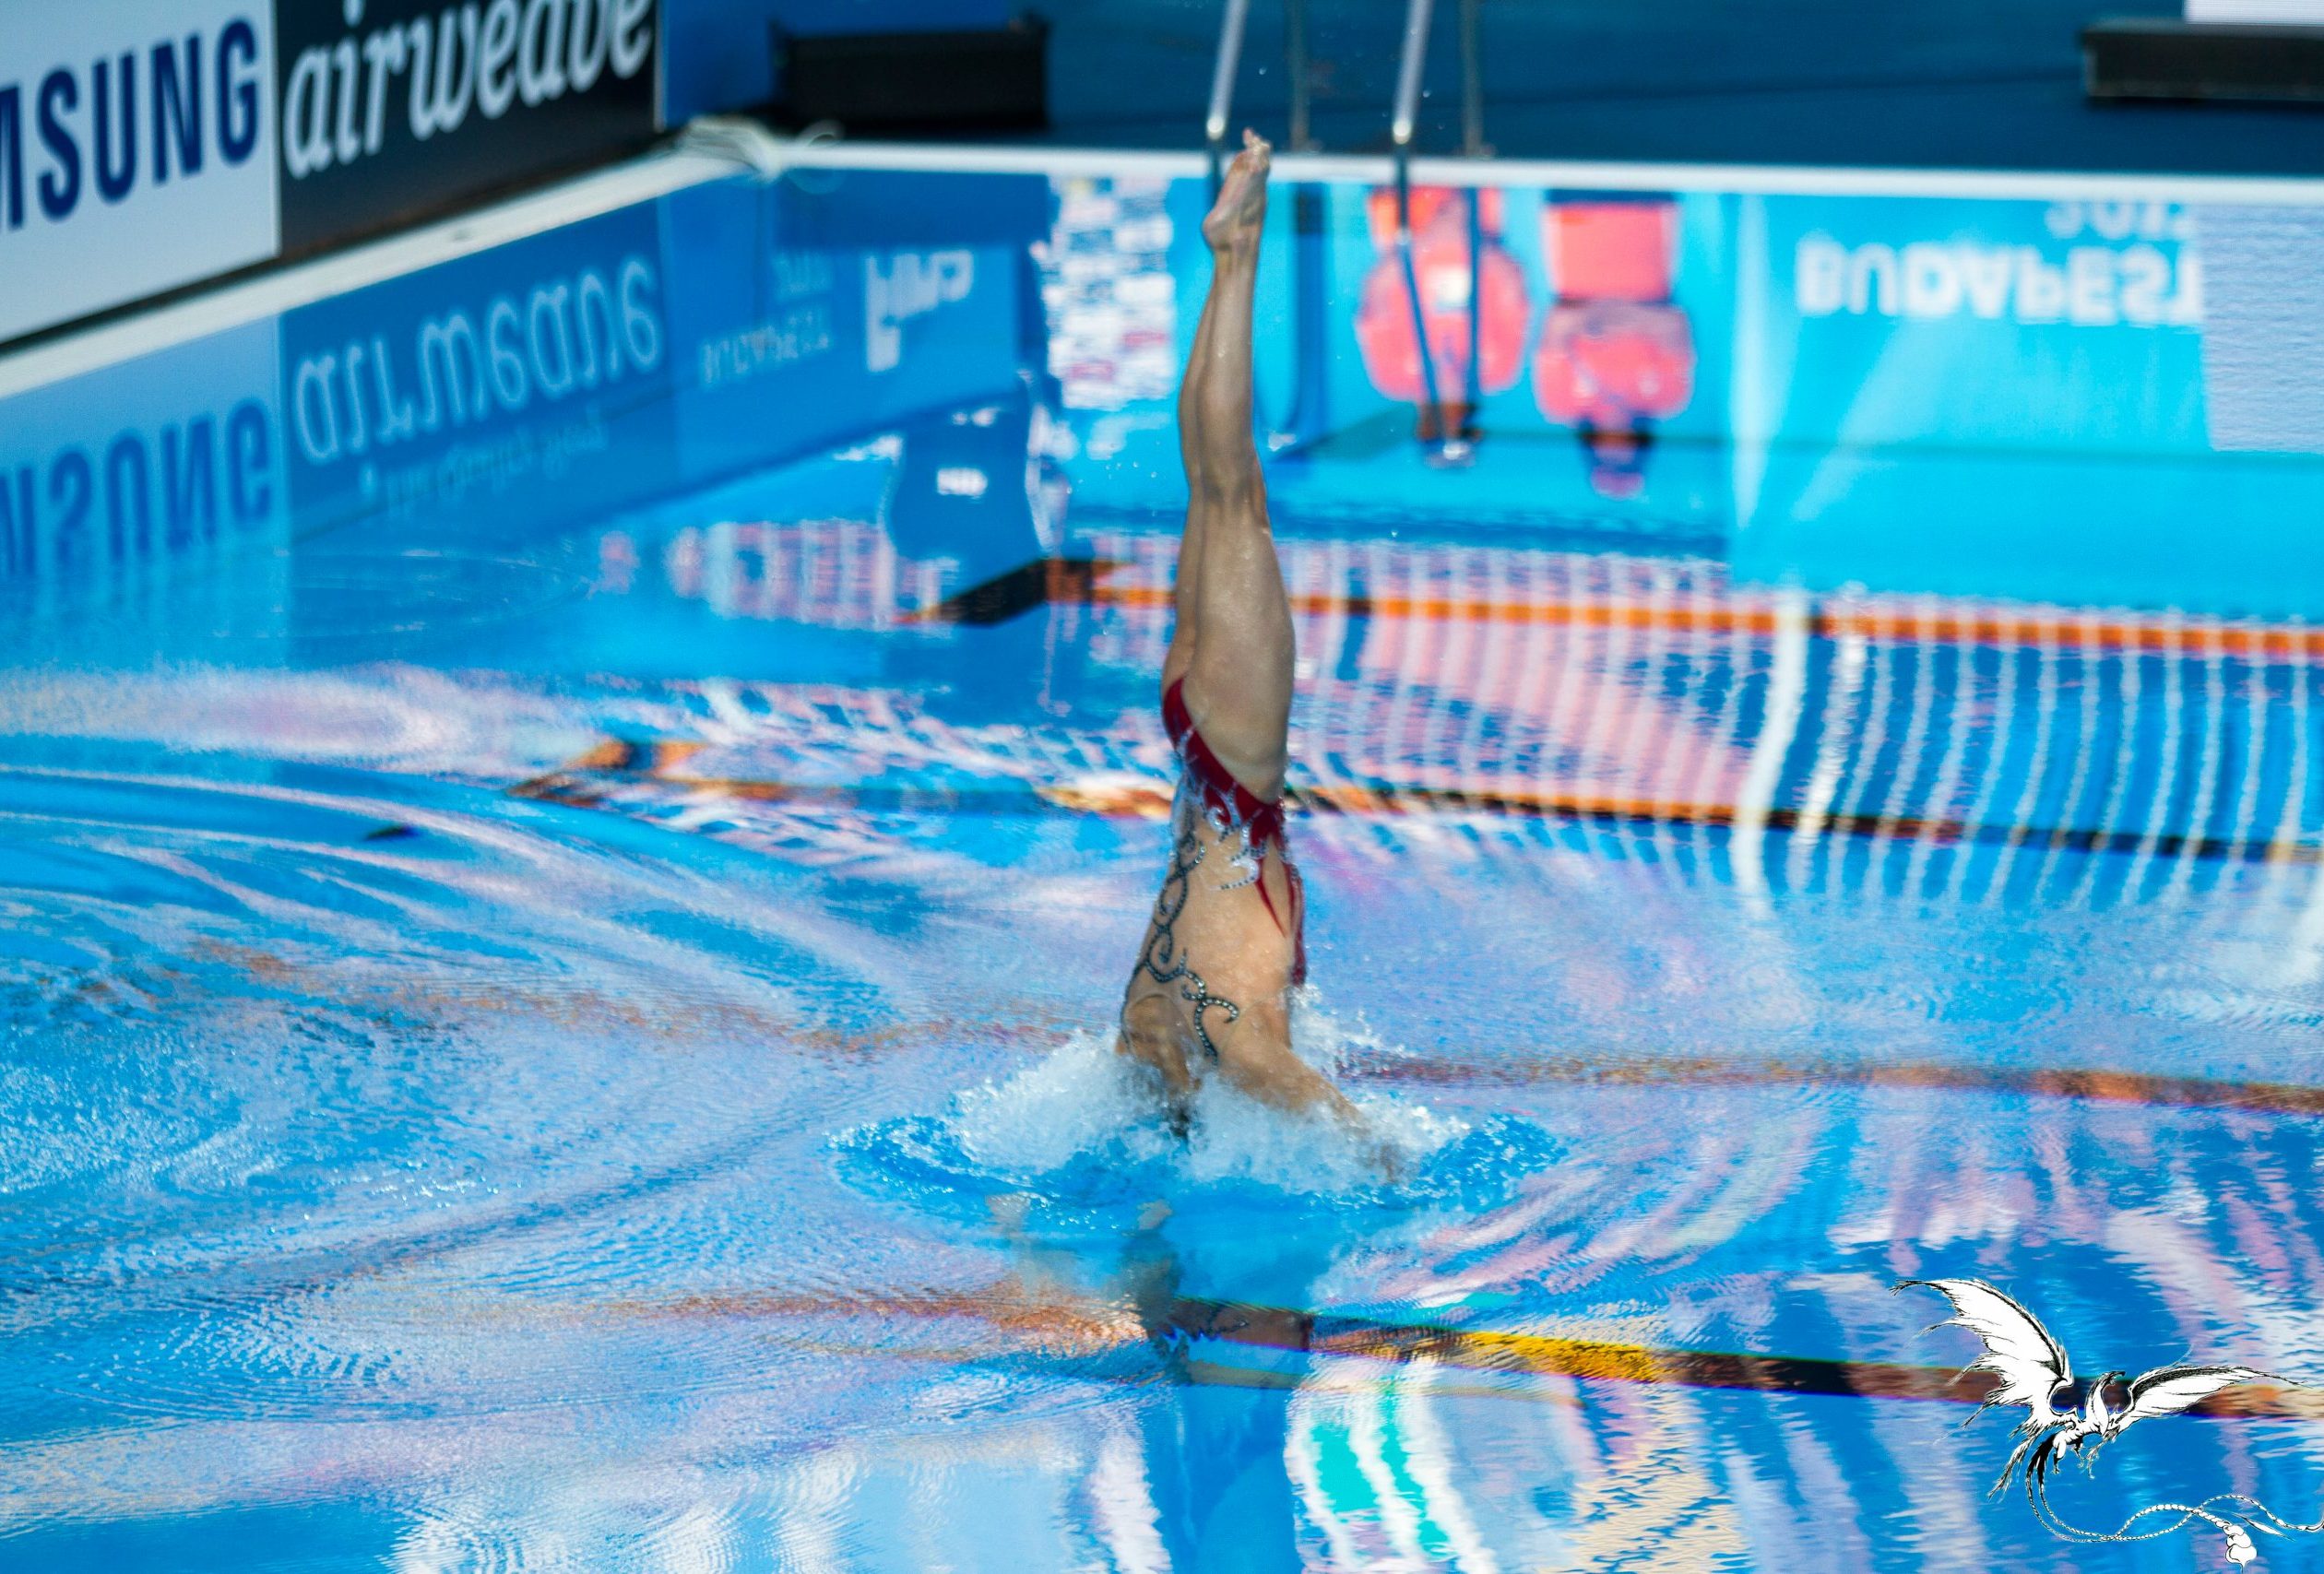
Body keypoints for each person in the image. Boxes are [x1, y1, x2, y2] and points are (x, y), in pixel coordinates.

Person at [1115, 133, 1357, 1127]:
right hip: (1208, 749)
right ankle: (1231, 255)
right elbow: (1286, 1083)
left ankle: (1235, 255)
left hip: (1228, 764)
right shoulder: (1213, 1031)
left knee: (1228, 492)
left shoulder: (1175, 1024)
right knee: (1224, 493)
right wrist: (1380, 1157)